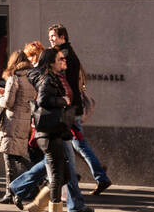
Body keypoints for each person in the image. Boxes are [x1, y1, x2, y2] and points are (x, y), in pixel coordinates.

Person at [48, 24, 111, 195]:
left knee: (75, 145)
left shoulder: (64, 56)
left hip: (68, 109)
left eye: (54, 35)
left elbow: (63, 82)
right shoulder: (67, 53)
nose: (51, 38)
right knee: (76, 145)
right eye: (50, 35)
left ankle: (88, 177)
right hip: (72, 107)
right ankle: (96, 176)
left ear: (63, 37)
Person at [27, 45, 76, 212]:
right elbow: (43, 100)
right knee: (57, 175)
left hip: (51, 133)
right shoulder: (48, 78)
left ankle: (37, 206)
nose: (63, 61)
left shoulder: (51, 77)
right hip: (48, 133)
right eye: (60, 59)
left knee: (64, 175)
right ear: (51, 63)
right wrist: (63, 101)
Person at [0, 49, 33, 203]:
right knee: (18, 156)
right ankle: (39, 177)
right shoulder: (31, 77)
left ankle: (10, 193)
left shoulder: (14, 78)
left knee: (9, 158)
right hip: (25, 120)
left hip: (12, 121)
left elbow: (8, 103)